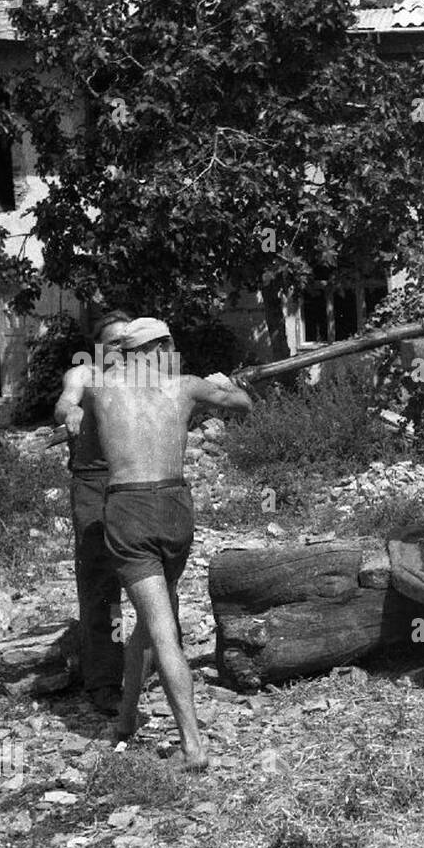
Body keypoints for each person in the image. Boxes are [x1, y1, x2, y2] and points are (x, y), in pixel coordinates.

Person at [58, 317, 252, 768]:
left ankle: (192, 747)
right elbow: (242, 403)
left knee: (160, 628)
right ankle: (126, 720)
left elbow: (69, 403)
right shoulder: (186, 387)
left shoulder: (99, 387)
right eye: (171, 345)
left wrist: (71, 413)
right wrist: (228, 384)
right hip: (176, 509)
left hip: (130, 510)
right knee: (151, 621)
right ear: (159, 347)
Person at [54, 310, 130, 716]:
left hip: (136, 481)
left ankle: (161, 668)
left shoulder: (145, 377)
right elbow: (65, 403)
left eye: (125, 340)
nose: (119, 348)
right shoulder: (84, 377)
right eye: (111, 342)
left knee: (153, 576)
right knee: (100, 581)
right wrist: (74, 412)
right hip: (93, 483)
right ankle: (104, 682)